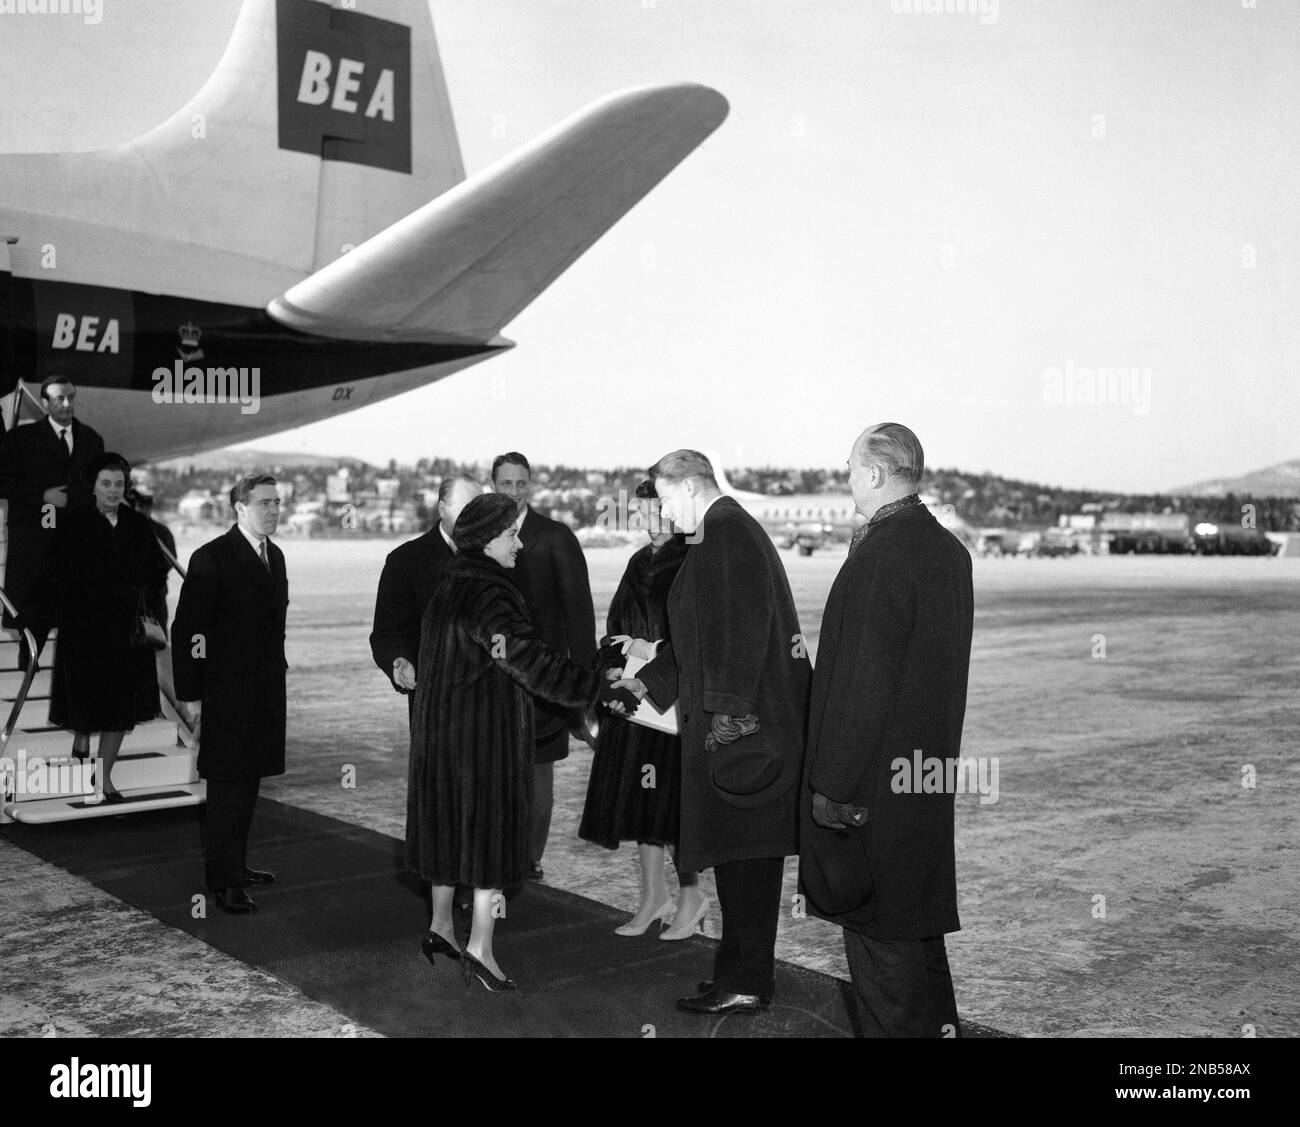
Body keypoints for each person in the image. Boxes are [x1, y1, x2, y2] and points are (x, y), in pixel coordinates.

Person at [406, 493, 633, 991]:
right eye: (511, 534)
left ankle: (440, 928)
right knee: (491, 840)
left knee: (448, 830)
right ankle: (480, 949)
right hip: (483, 741)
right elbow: (527, 660)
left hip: (443, 737)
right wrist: (596, 687)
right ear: (488, 539)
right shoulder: (491, 592)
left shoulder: (451, 584)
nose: (520, 541)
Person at [611, 450, 811, 1016]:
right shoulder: (720, 534)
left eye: (666, 497)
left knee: (747, 856)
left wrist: (726, 712)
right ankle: (741, 973)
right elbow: (698, 638)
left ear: (690, 486)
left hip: (744, 737)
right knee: (741, 856)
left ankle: (747, 981)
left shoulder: (725, 532)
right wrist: (643, 686)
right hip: (744, 731)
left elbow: (745, 629)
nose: (663, 510)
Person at [799, 423, 974, 1037]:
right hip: (925, 774)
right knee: (917, 936)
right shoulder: (948, 551)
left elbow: (861, 685)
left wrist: (831, 785)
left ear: (875, 474)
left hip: (872, 787)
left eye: (850, 468)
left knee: (881, 946)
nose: (846, 479)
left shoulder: (881, 555)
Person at [578, 480, 707, 939]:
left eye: (647, 510)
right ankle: (654, 896)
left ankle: (692, 895)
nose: (638, 518)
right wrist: (610, 667)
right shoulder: (638, 561)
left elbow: (695, 639)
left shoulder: (691, 561)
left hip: (669, 701)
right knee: (641, 804)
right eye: (636, 511)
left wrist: (645, 648)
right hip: (634, 700)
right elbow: (615, 624)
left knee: (673, 807)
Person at [172, 474, 288, 915]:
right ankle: (223, 883)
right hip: (225, 690)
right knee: (225, 785)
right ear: (239, 507)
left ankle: (236, 865)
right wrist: (193, 693)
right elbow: (188, 630)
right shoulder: (211, 557)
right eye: (264, 503)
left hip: (264, 690)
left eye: (277, 502)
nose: (274, 510)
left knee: (249, 779)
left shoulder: (274, 556)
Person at [491, 452, 596, 882]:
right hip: (494, 680)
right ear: (492, 485)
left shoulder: (555, 536)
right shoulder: (479, 536)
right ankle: (497, 855)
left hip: (545, 684)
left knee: (538, 775)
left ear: (531, 486)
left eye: (521, 483)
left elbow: (580, 615)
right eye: (506, 484)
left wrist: (584, 687)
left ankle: (530, 860)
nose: (514, 492)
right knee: (496, 773)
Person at [48, 454, 169, 801]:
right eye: (106, 484)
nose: (113, 490)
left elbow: (157, 572)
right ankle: (82, 734)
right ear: (94, 486)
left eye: (119, 484)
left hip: (127, 631)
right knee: (87, 697)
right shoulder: (74, 524)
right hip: (85, 628)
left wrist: (139, 591)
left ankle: (103, 779)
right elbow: (58, 573)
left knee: (121, 708)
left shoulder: (138, 525)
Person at [0, 374, 105, 666]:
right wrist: (43, 495)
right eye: (59, 398)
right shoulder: (20, 440)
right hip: (34, 535)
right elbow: (3, 482)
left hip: (74, 536)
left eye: (71, 397)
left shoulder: (92, 440)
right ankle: (30, 656)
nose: (67, 404)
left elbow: (98, 483)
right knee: (35, 602)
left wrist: (76, 500)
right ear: (45, 403)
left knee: (77, 600)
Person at [369, 473, 482, 710]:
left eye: (479, 509)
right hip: (435, 708)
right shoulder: (405, 561)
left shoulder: (497, 555)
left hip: (492, 710)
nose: (475, 518)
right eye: (466, 508)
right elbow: (386, 633)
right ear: (442, 509)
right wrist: (400, 661)